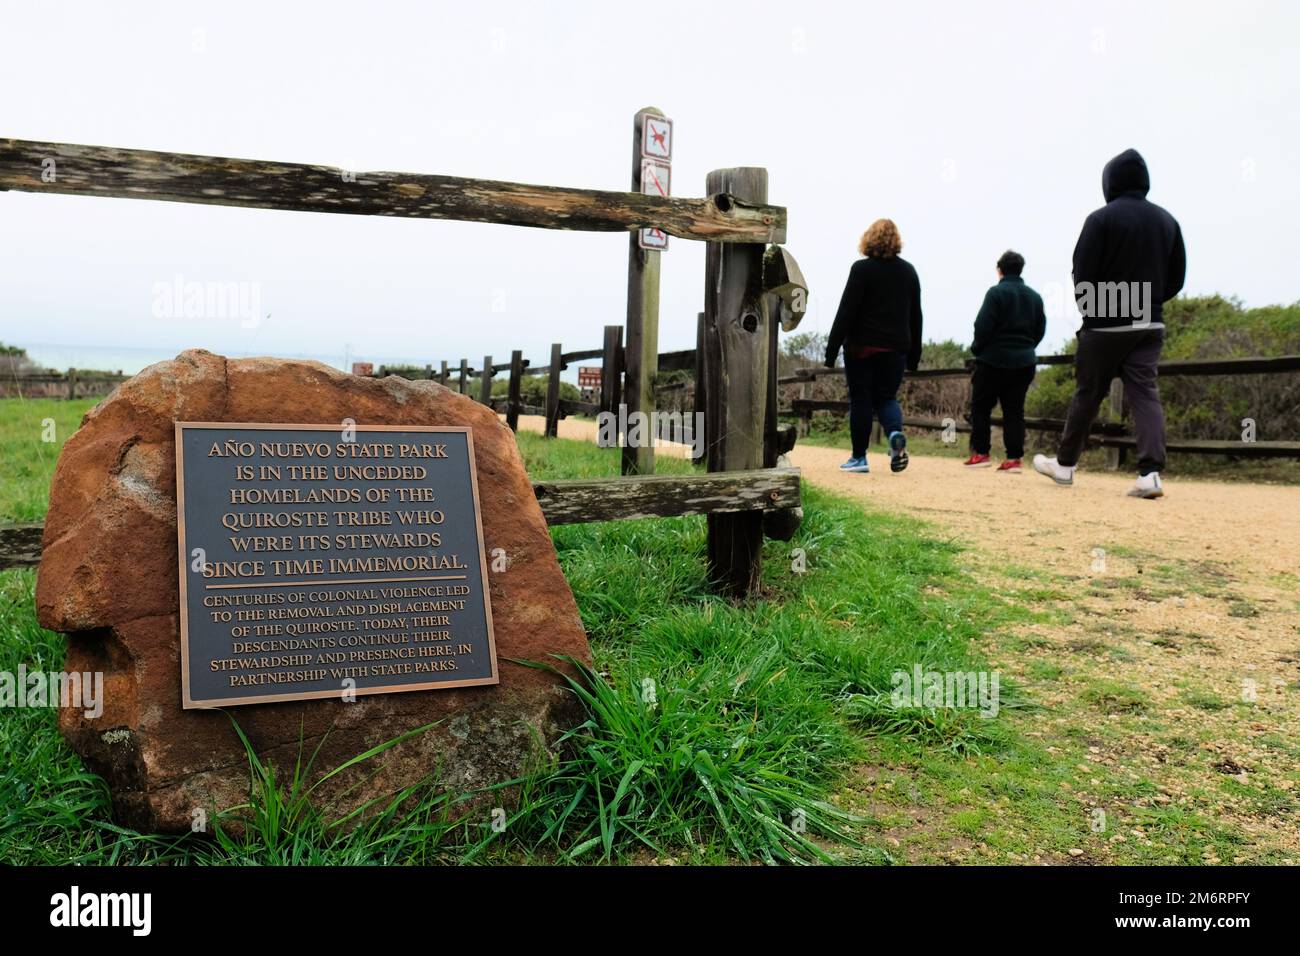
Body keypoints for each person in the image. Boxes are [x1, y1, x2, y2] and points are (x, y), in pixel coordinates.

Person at [1033, 148, 1186, 498]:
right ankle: (1150, 475)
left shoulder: (1100, 219)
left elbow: (1082, 273)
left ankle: (1066, 466)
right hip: (1149, 322)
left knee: (1088, 393)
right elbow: (1177, 277)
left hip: (1105, 324)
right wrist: (1150, 302)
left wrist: (1094, 310)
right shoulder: (1167, 220)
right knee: (1145, 394)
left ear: (1109, 182)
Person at [824, 218, 923, 474]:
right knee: (886, 398)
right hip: (895, 349)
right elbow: (916, 317)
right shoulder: (908, 272)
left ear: (868, 239)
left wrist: (831, 350)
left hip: (861, 348)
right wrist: (914, 356)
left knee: (862, 400)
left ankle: (859, 458)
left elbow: (846, 311)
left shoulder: (861, 270)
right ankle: (894, 436)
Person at [963, 250, 1046, 473]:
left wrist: (978, 349)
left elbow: (982, 327)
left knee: (981, 407)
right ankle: (1014, 459)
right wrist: (1026, 348)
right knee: (1014, 410)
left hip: (993, 360)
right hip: (1024, 362)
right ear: (1020, 269)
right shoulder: (1034, 297)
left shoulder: (995, 293)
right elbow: (1040, 330)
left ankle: (981, 453)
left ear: (999, 269)